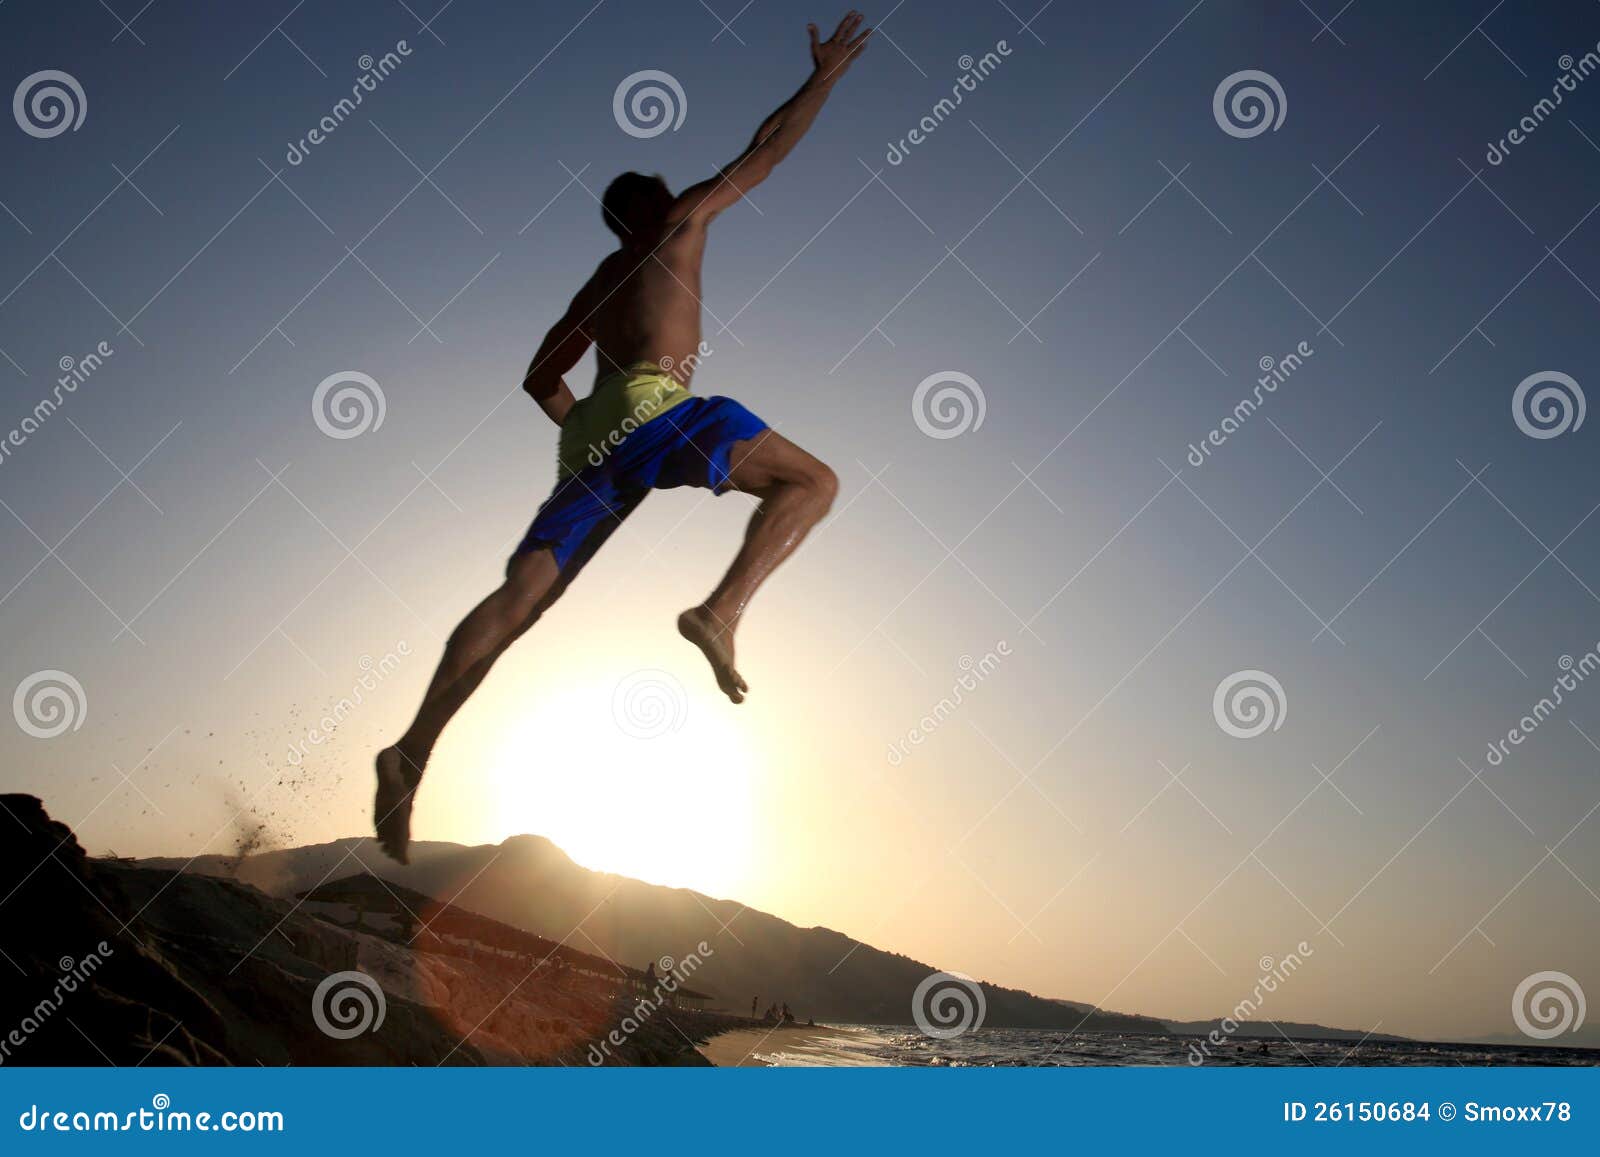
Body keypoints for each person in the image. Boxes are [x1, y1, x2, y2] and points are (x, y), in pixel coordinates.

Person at [373, 13, 874, 862]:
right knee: (814, 483)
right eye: (665, 188)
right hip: (651, 408)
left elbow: (540, 378)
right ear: (644, 208)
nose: (684, 192)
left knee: (520, 597)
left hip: (592, 443)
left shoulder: (598, 283)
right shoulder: (679, 224)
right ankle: (721, 611)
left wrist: (593, 438)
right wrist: (823, 79)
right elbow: (767, 151)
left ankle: (411, 747)